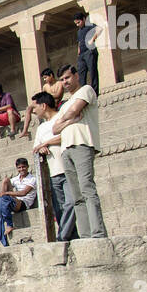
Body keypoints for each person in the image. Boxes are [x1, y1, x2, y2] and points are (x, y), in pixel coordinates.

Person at [51, 64, 108, 239]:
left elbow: (76, 110)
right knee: (76, 196)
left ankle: (98, 232)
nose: (65, 82)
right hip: (66, 149)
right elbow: (55, 128)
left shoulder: (86, 90)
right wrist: (69, 121)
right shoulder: (64, 104)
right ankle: (85, 235)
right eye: (62, 80)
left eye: (67, 78)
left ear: (76, 76)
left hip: (82, 144)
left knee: (87, 189)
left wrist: (66, 118)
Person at [30, 91, 78, 241]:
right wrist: (41, 147)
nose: (34, 110)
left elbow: (68, 135)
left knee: (71, 203)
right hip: (52, 172)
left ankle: (62, 237)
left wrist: (47, 143)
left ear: (43, 106)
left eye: (35, 107)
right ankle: (73, 237)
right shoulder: (41, 128)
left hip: (68, 168)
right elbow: (35, 148)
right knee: (60, 209)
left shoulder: (61, 117)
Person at [0, 157, 38, 247]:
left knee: (4, 199)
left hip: (24, 203)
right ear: (17, 168)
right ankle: (6, 219)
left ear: (27, 167)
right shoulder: (16, 179)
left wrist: (6, 193)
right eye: (19, 168)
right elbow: (6, 188)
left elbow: (23, 193)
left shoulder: (32, 179)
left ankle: (9, 224)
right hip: (14, 200)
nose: (21, 169)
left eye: (23, 167)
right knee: (5, 181)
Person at [19, 68, 64, 136]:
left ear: (51, 75)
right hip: (46, 104)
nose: (44, 80)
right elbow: (44, 97)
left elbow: (58, 95)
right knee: (29, 108)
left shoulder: (59, 83)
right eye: (44, 78)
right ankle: (25, 130)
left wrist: (47, 96)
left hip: (55, 104)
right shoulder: (45, 86)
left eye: (45, 77)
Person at [73, 11, 102, 94]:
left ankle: (95, 93)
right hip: (81, 54)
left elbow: (99, 29)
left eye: (79, 22)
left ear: (84, 19)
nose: (77, 25)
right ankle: (83, 93)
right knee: (81, 73)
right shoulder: (79, 31)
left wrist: (92, 39)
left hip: (90, 51)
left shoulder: (89, 25)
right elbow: (79, 41)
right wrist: (78, 51)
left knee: (92, 71)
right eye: (76, 23)